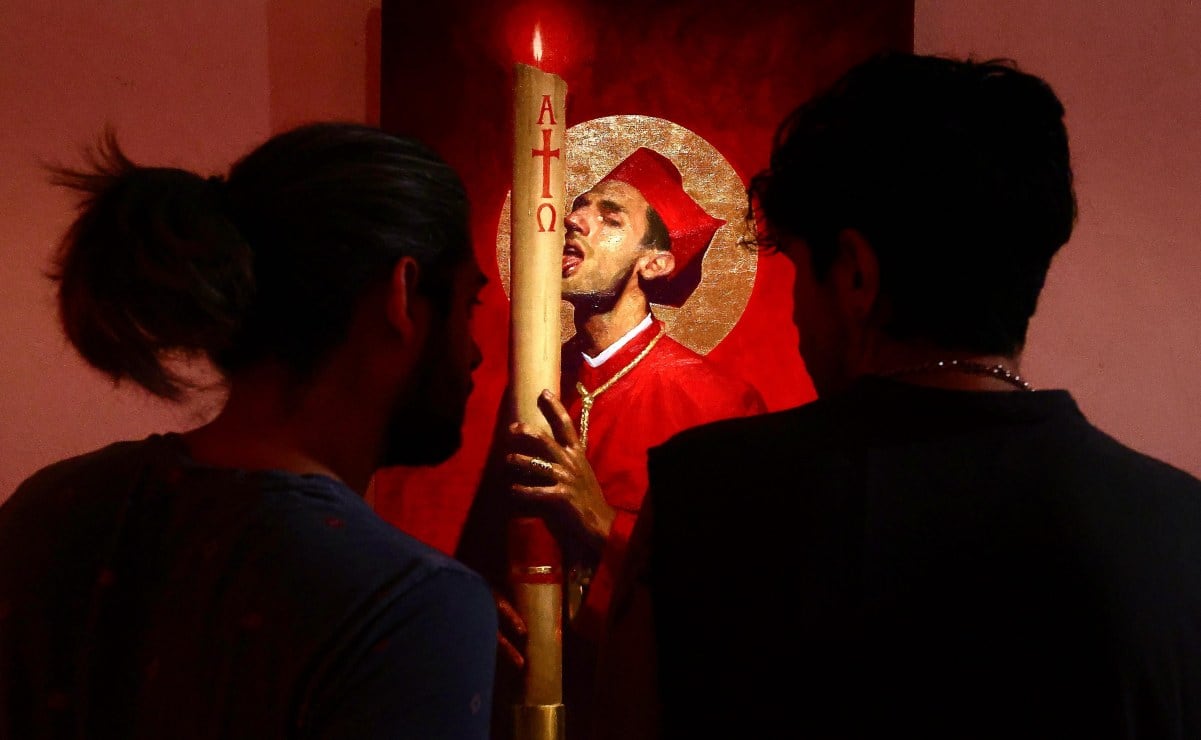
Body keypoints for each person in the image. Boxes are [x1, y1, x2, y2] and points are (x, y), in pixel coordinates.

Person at [600, 52, 1201, 739]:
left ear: (855, 274)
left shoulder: (703, 494)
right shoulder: (1179, 528)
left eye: (797, 271)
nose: (796, 315)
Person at [0, 123, 498, 739]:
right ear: (404, 296)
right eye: (469, 306)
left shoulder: (49, 509)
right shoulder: (411, 606)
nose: (474, 353)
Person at [456, 146, 766, 739]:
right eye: (577, 207)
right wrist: (481, 601)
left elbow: (734, 599)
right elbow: (487, 540)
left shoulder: (719, 402)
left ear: (655, 262)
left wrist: (604, 523)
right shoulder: (536, 383)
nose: (574, 219)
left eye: (610, 216)